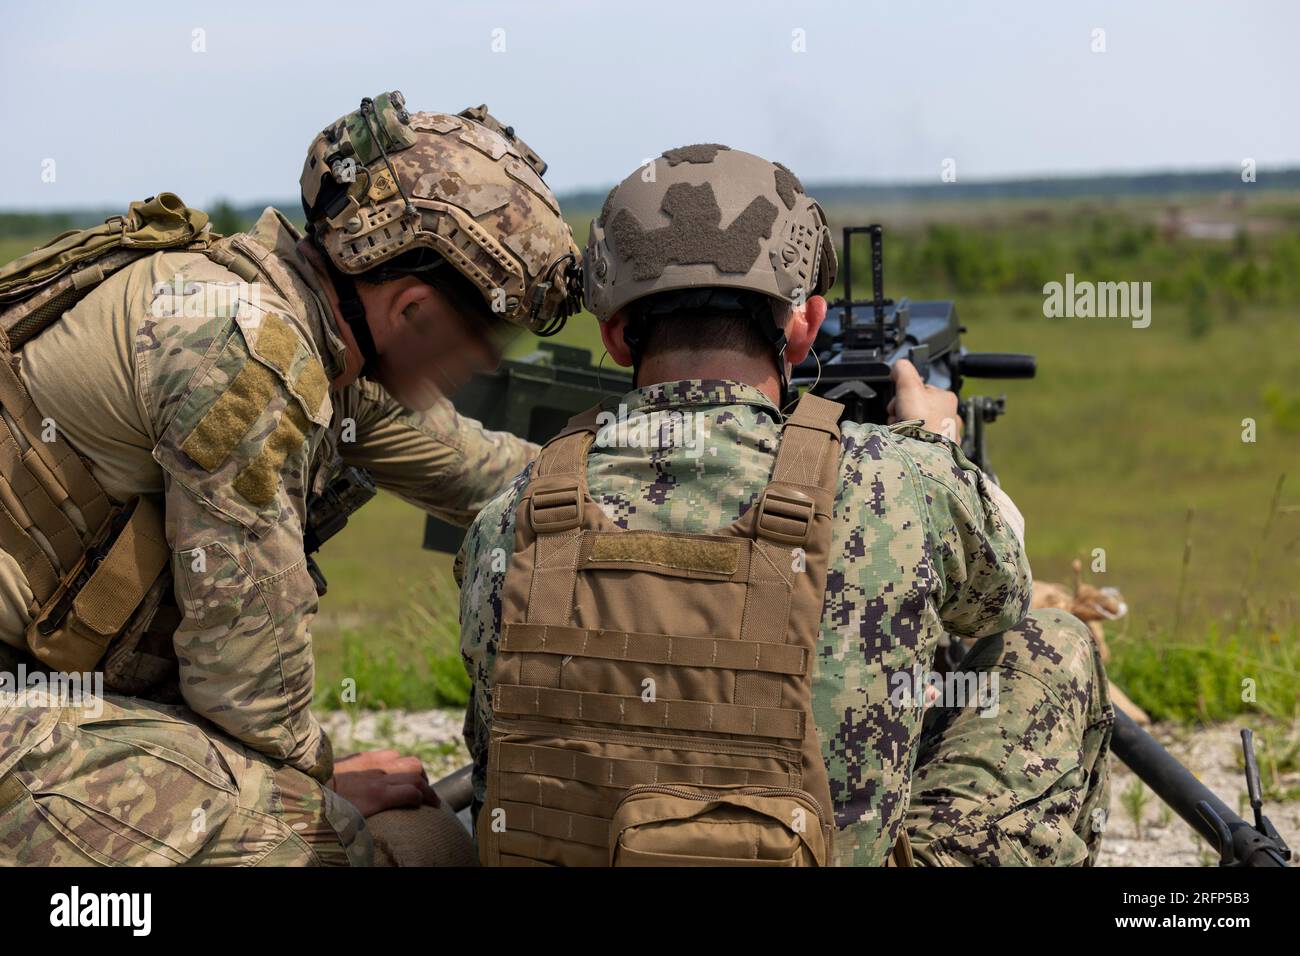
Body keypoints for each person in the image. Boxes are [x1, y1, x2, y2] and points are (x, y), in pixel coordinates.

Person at [458, 144, 1113, 866]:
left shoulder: (513, 512)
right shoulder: (897, 483)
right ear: (802, 326)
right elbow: (998, 602)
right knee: (1053, 642)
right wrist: (936, 447)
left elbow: (497, 749)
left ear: (616, 336)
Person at [0, 92, 579, 866]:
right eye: (477, 343)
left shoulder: (304, 331)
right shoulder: (245, 353)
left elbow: (490, 472)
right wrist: (322, 778)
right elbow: (246, 690)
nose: (475, 369)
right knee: (320, 842)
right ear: (411, 310)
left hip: (37, 687)